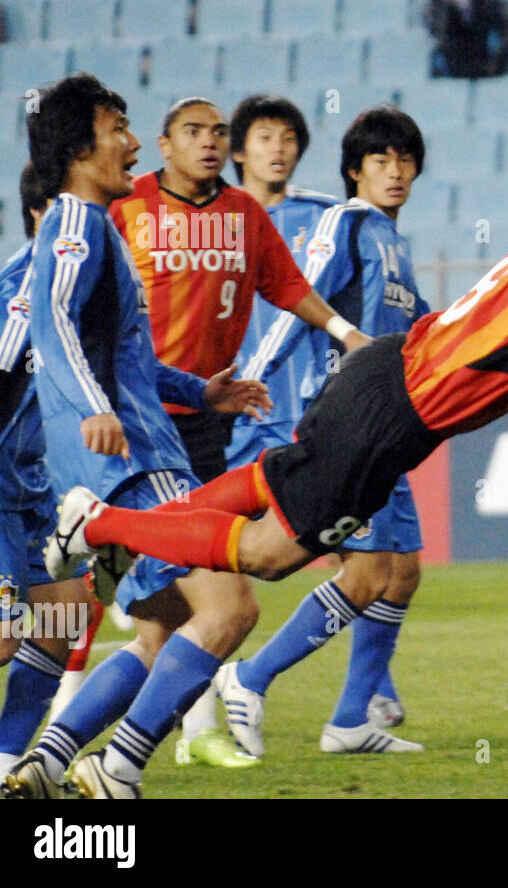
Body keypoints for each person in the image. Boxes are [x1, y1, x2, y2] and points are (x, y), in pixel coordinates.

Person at [42, 187, 508, 801]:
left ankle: (114, 714)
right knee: (272, 556)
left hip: (379, 369)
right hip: (393, 424)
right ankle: (103, 523)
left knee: (258, 485)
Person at [4, 74, 271, 800]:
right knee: (231, 607)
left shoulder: (95, 226)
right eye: (117, 128)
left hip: (108, 465)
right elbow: (52, 320)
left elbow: (123, 353)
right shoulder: (77, 222)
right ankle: (117, 770)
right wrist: (94, 406)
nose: (129, 143)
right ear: (78, 149)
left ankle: (47, 762)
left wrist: (199, 390)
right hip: (135, 464)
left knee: (162, 630)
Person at [107, 95, 369, 767]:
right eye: (193, 131)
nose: (210, 142)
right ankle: (142, 728)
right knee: (185, 586)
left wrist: (344, 332)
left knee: (168, 595)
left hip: (204, 419)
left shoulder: (244, 215)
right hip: (132, 419)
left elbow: (286, 284)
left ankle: (174, 730)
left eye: (219, 133)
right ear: (163, 144)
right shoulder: (124, 208)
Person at [217, 101, 431, 756]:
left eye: (404, 160)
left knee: (403, 570)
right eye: (379, 160)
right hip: (348, 419)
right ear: (352, 170)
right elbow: (295, 300)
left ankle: (349, 720)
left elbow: (425, 327)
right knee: (365, 572)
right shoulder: (345, 223)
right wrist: (249, 379)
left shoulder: (396, 243)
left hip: (387, 424)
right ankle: (247, 676)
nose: (394, 171)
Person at [0, 165, 95, 796]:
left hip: (35, 487)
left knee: (66, 613)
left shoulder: (76, 287)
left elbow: (114, 370)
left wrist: (198, 391)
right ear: (48, 213)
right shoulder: (26, 280)